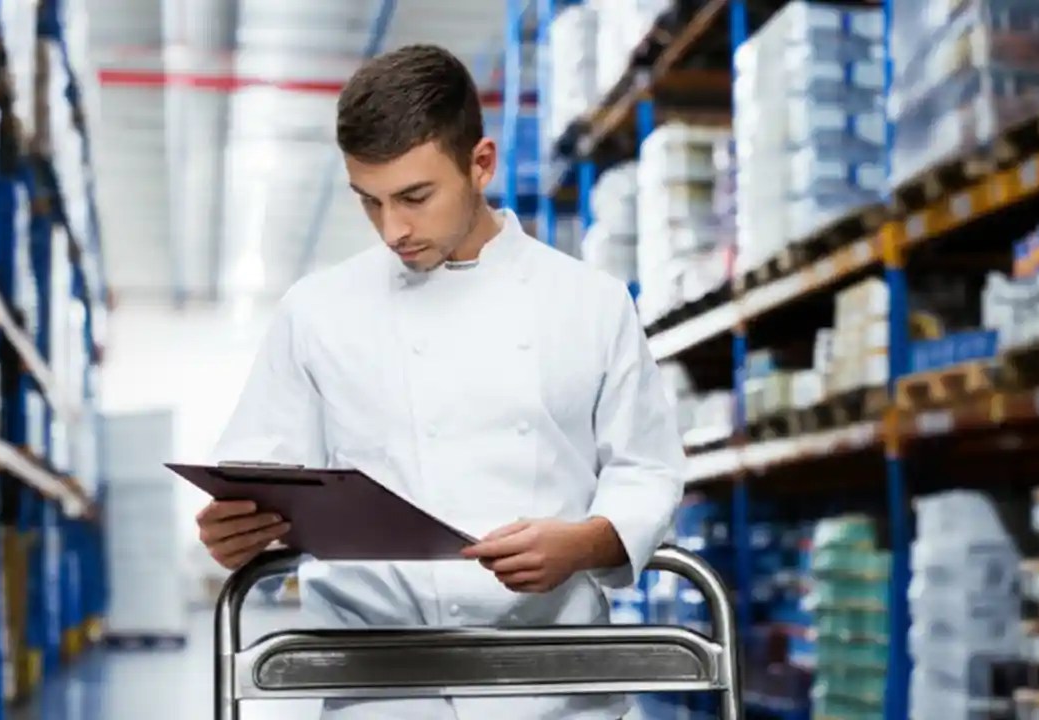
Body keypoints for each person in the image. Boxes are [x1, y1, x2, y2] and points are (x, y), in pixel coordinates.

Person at [194, 43, 686, 720]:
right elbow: (263, 472)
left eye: (415, 197)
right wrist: (239, 531)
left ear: (480, 164)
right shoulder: (317, 311)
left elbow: (648, 471)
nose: (393, 229)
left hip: (551, 689)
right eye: (370, 202)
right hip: (379, 687)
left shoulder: (590, 303)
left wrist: (584, 543)